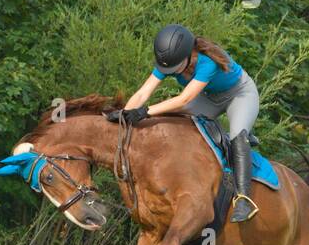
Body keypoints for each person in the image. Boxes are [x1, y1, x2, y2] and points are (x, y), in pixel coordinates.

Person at [110, 24, 262, 222]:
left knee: (237, 138)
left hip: (239, 95)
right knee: (169, 116)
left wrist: (145, 112)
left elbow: (184, 99)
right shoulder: (171, 61)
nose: (171, 72)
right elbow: (142, 93)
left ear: (190, 54)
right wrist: (125, 115)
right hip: (208, 97)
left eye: (175, 67)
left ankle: (243, 199)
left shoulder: (207, 62)